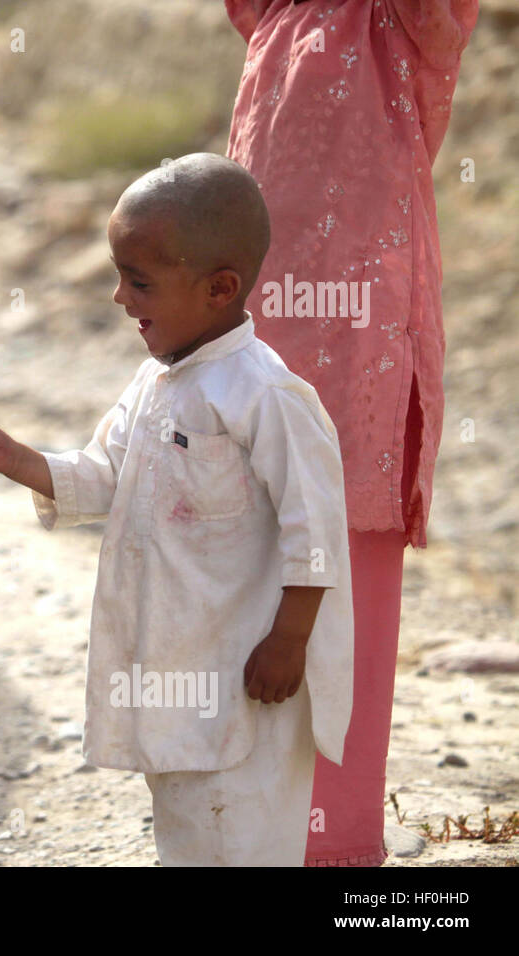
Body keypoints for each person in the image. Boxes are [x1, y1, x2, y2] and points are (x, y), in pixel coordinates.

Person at [0, 154, 355, 866]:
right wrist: (18, 461)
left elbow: (312, 525)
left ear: (220, 288)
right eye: (118, 275)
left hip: (249, 671)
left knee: (245, 830)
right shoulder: (155, 381)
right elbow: (107, 474)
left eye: (139, 281)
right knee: (189, 824)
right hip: (175, 662)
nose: (117, 297)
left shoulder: (265, 395)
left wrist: (290, 640)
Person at [223, 0, 478, 865]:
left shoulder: (404, 24)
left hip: (366, 354)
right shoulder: (279, 14)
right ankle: (250, 835)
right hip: (258, 343)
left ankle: (337, 851)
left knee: (348, 600)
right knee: (247, 571)